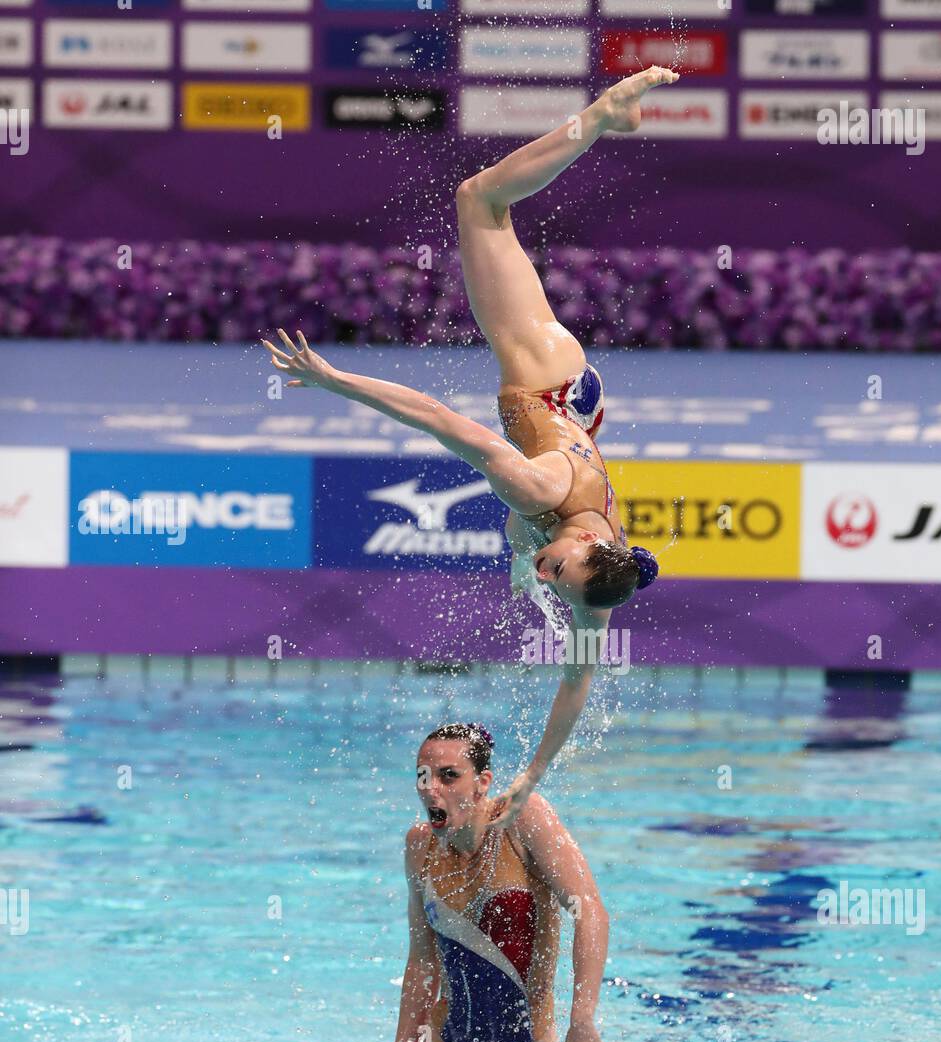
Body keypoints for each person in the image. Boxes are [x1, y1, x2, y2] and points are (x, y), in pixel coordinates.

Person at [262, 66, 677, 823]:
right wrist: (336, 380)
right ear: (588, 544)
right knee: (481, 202)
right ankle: (600, 118)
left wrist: (532, 776)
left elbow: (578, 682)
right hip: (544, 376)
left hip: (575, 408)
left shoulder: (602, 577)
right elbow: (439, 421)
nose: (549, 580)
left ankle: (604, 121)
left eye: (552, 580)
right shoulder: (538, 493)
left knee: (483, 205)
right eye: (558, 571)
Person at [380, 721, 610, 1042]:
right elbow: (422, 962)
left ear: (482, 782)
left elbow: (589, 910)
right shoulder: (420, 848)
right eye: (423, 775)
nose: (431, 788)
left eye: (449, 775)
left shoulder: (522, 822)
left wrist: (582, 1019)